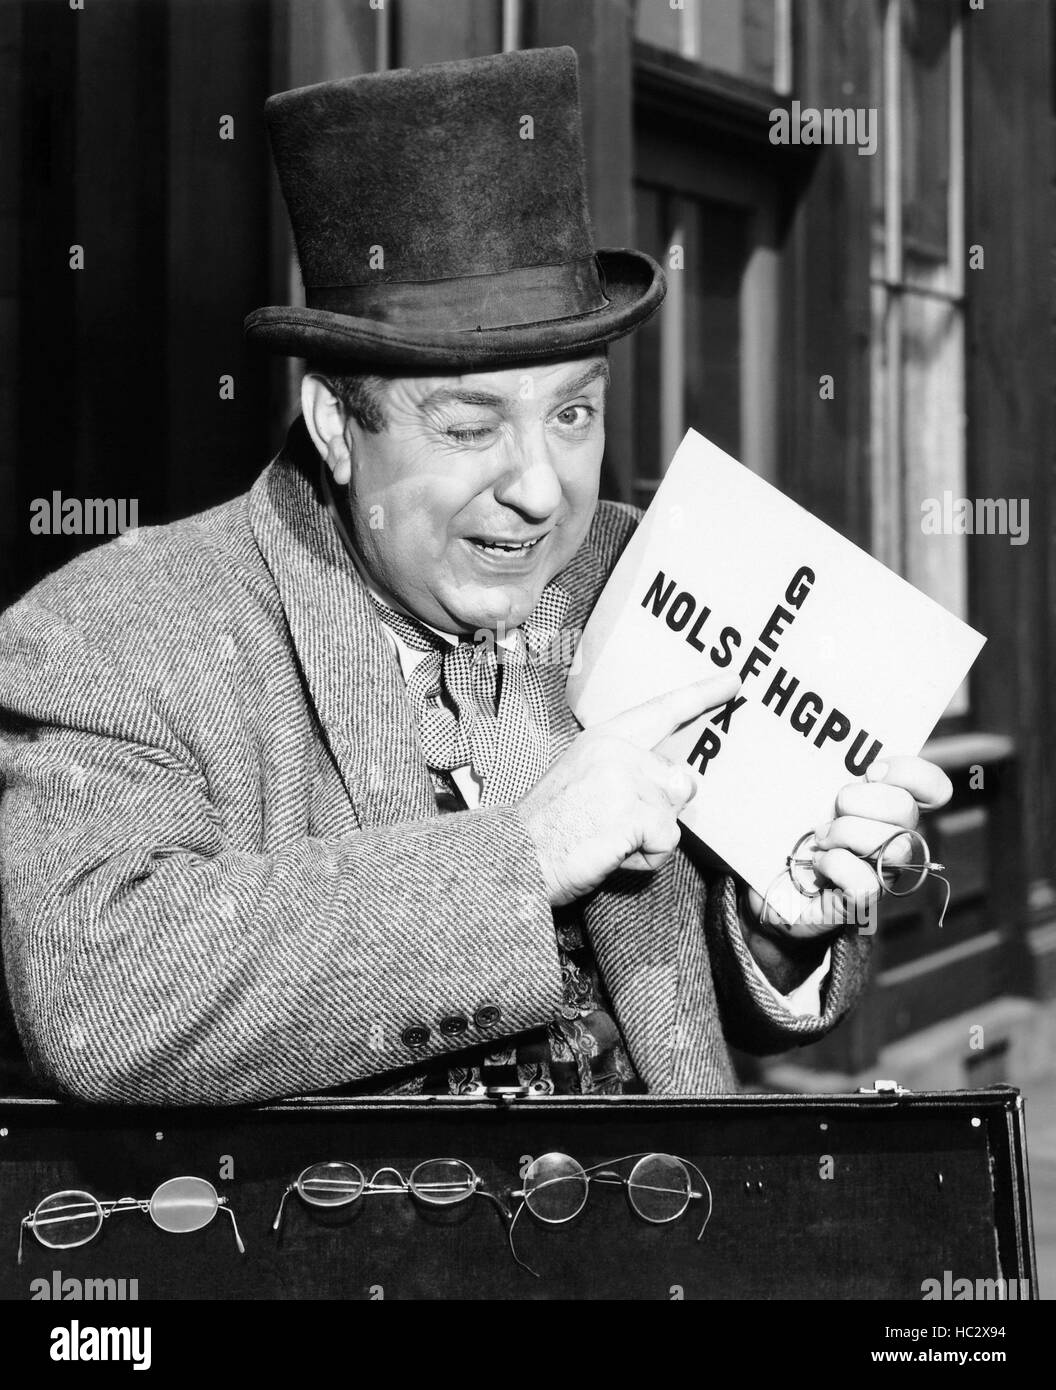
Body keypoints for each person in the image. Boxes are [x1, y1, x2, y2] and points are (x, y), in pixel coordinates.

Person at [0, 47, 949, 1106]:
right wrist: (524, 857)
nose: (542, 491)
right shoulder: (114, 633)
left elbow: (706, 1000)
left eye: (574, 413)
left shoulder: (646, 570)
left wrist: (778, 925)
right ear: (337, 427)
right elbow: (102, 996)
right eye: (470, 425)